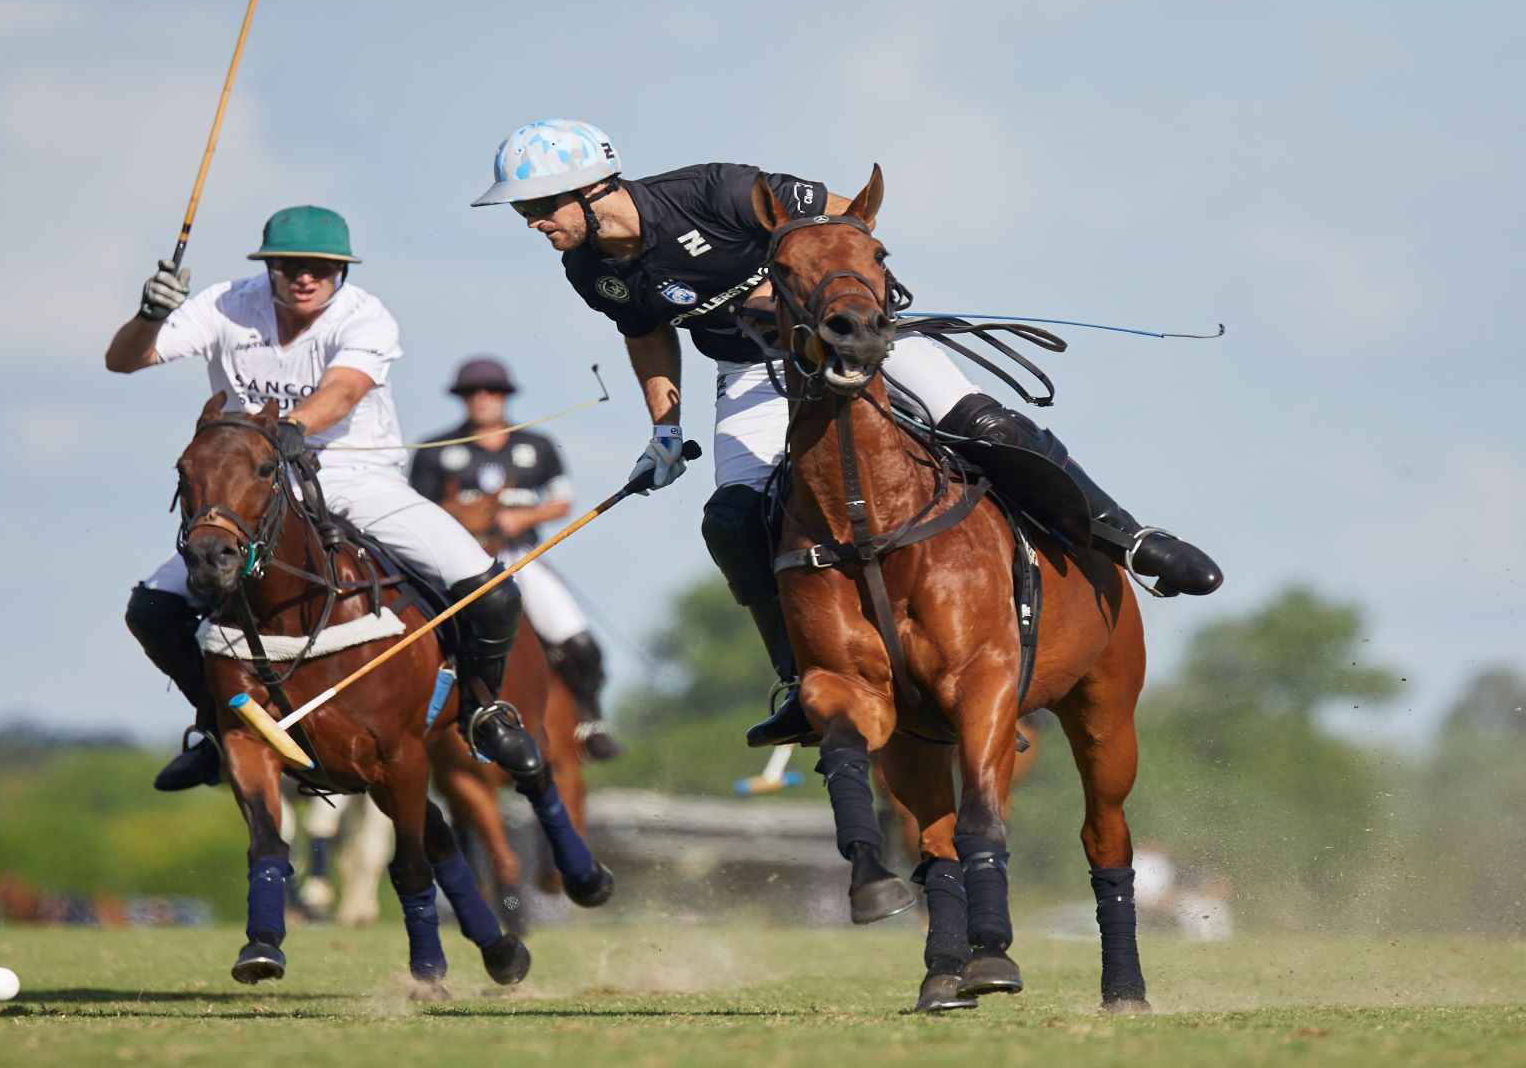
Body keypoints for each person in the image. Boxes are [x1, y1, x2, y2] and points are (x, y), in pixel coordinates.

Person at [470, 120, 1222, 748]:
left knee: (981, 422)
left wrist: (825, 302)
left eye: (539, 205)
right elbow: (647, 334)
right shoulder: (588, 268)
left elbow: (847, 223)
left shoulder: (715, 192)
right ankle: (802, 680)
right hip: (751, 373)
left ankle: (1129, 539)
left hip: (848, 338)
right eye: (523, 211)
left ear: (591, 188)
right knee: (730, 520)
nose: (533, 223)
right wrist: (664, 430)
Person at [106, 205, 544, 790]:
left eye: (323, 267)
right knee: (152, 610)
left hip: (356, 478)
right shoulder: (225, 304)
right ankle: (214, 727)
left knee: (489, 590)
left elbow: (343, 390)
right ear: (269, 267)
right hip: (252, 488)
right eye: (291, 266)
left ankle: (483, 712)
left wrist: (294, 426)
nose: (306, 278)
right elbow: (123, 360)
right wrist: (149, 315)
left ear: (343, 270)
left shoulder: (365, 316)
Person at [408, 356, 623, 761]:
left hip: (519, 556)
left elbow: (561, 500)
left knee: (580, 643)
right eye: (472, 392)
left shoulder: (536, 447)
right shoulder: (435, 450)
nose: (482, 398)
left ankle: (590, 721)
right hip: (454, 560)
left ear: (505, 396)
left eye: (492, 391)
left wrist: (525, 516)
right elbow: (414, 510)